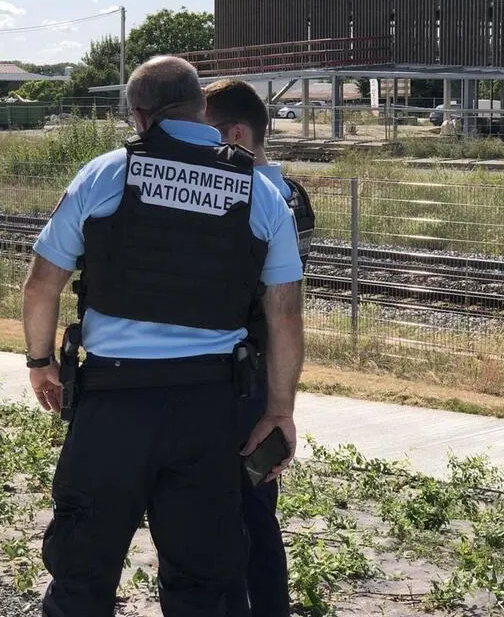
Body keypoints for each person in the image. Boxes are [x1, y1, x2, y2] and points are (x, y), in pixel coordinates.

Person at [22, 56, 305, 617]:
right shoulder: (260, 192)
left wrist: (39, 360)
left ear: (139, 115)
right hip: (208, 413)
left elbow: (40, 286)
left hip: (111, 409)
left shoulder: (106, 174)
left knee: (82, 572)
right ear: (202, 107)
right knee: (202, 584)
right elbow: (286, 316)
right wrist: (278, 410)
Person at [203, 79, 316, 617]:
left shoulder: (241, 196)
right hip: (268, 375)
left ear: (238, 133)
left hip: (235, 379)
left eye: (203, 134)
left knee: (227, 516)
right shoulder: (293, 195)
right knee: (256, 512)